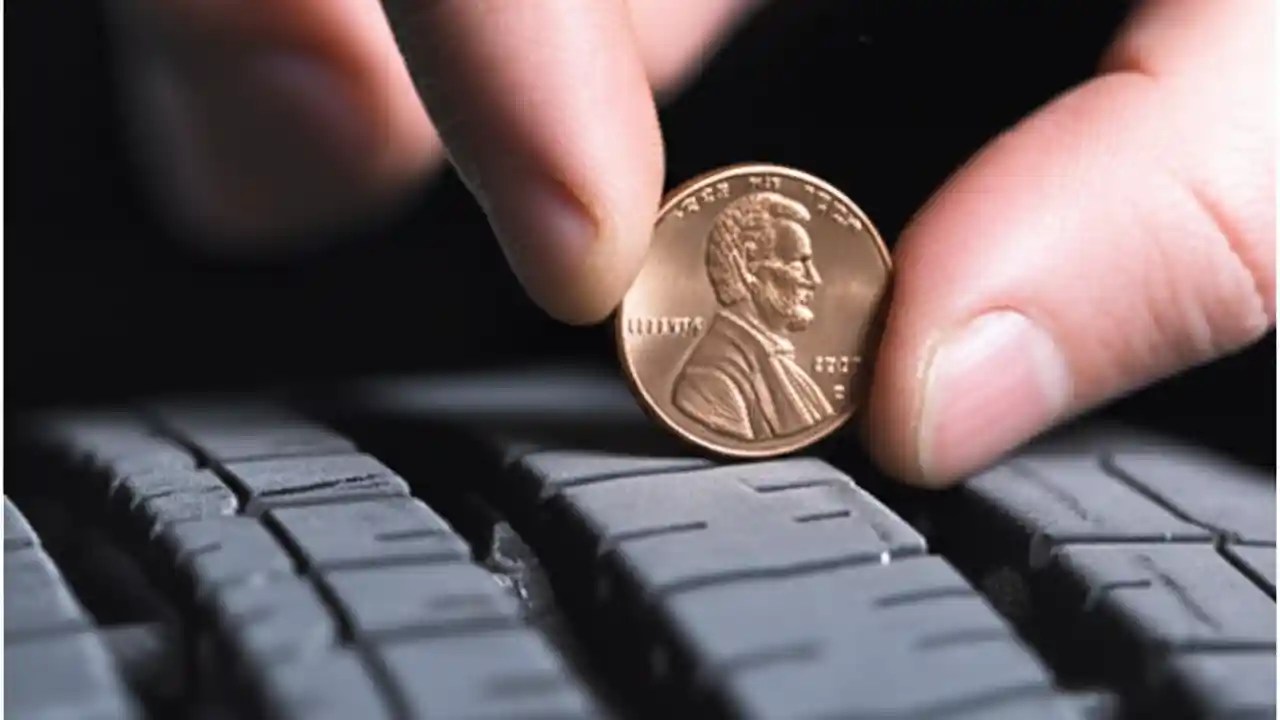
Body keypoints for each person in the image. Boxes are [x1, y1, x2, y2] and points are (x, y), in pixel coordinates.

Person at [102, 1, 1274, 487]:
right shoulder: (719, 369)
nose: (808, 272)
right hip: (289, 288)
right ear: (725, 268)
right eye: (779, 261)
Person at [672, 191, 834, 441]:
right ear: (749, 263)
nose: (814, 279)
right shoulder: (711, 378)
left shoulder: (775, 360)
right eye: (799, 262)